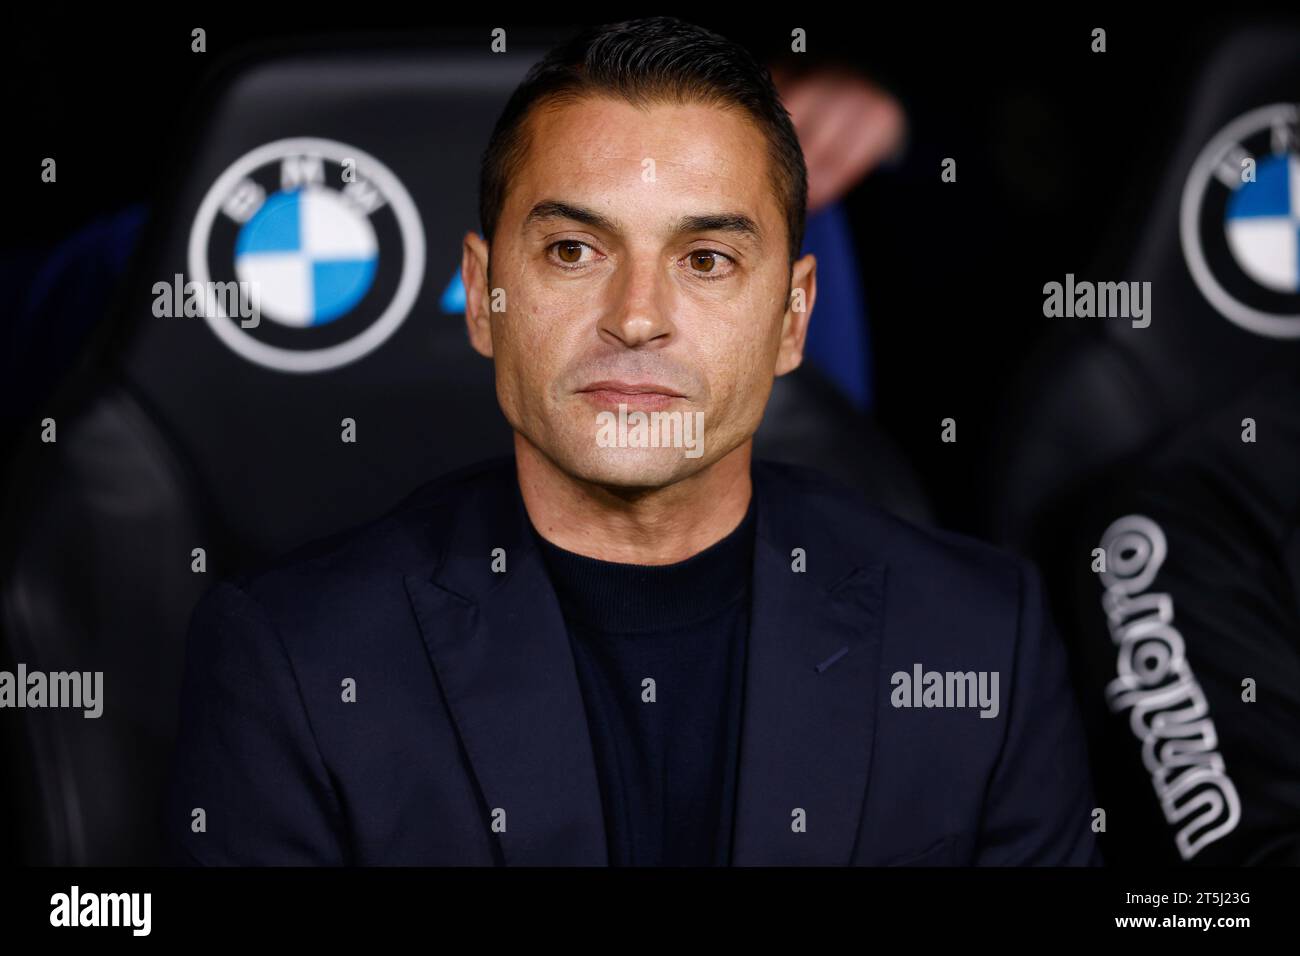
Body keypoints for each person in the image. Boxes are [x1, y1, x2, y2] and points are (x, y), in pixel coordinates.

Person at [164, 15, 1100, 866]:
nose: (638, 318)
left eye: (706, 260)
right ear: (485, 295)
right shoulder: (289, 661)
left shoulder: (984, 640)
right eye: (574, 250)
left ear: (792, 317)